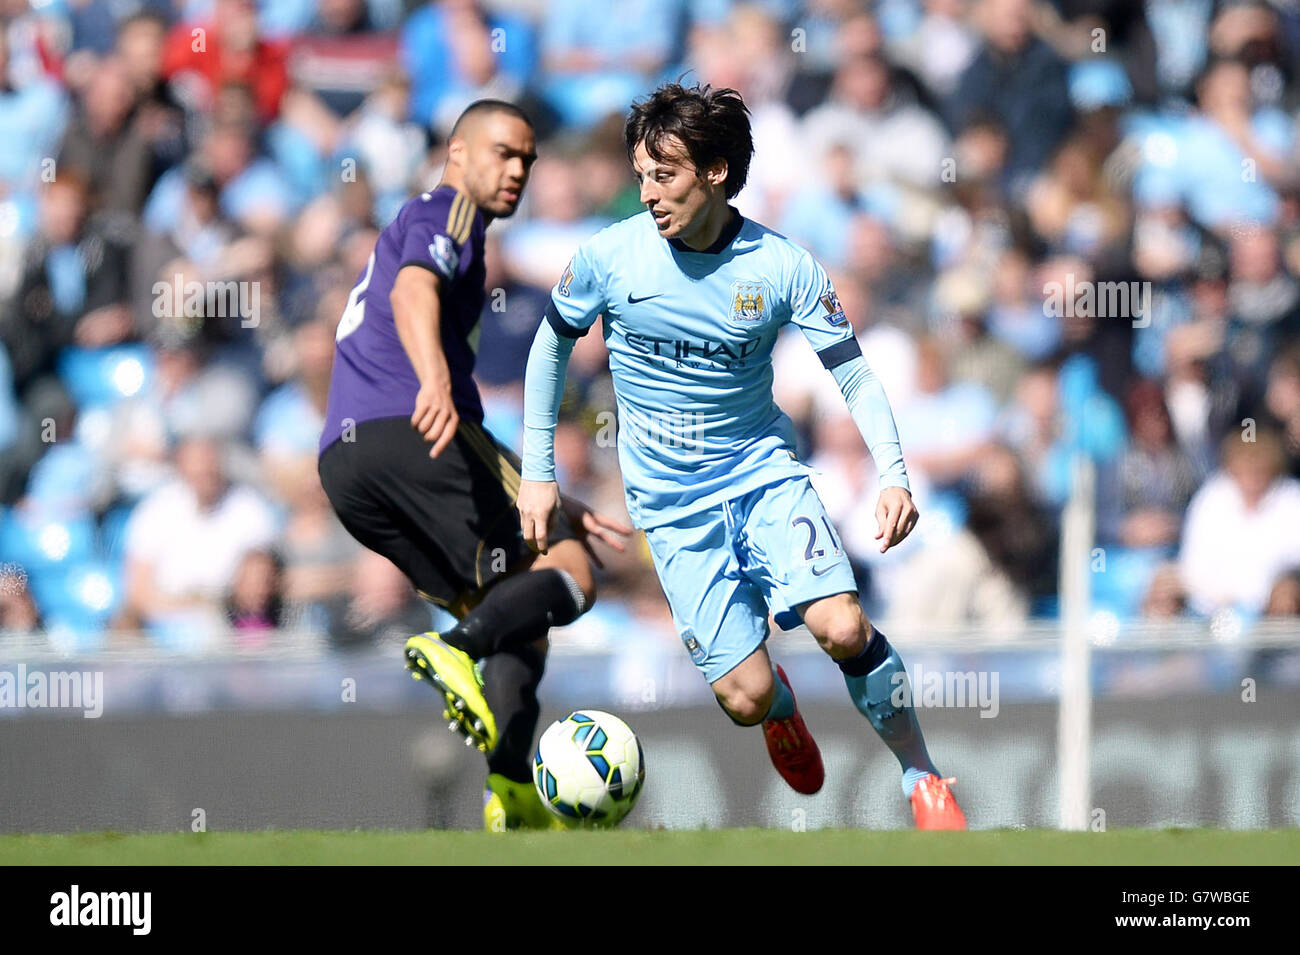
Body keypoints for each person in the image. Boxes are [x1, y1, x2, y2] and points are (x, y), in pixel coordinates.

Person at [517, 83, 967, 829]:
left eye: (665, 175)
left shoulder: (782, 266)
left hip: (762, 476)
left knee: (844, 627)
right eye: (641, 175)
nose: (648, 194)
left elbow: (850, 371)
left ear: (716, 171)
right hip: (671, 508)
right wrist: (539, 472)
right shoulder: (609, 256)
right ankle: (781, 707)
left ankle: (920, 774)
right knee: (745, 697)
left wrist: (893, 471)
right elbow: (549, 346)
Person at [317, 100, 630, 830]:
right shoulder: (449, 212)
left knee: (518, 604)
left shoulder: (441, 225)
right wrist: (431, 375)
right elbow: (412, 290)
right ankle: (455, 648)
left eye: (527, 158)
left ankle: (513, 789)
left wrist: (548, 495)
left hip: (347, 464)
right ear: (457, 154)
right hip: (414, 431)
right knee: (574, 571)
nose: (517, 169)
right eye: (501, 153)